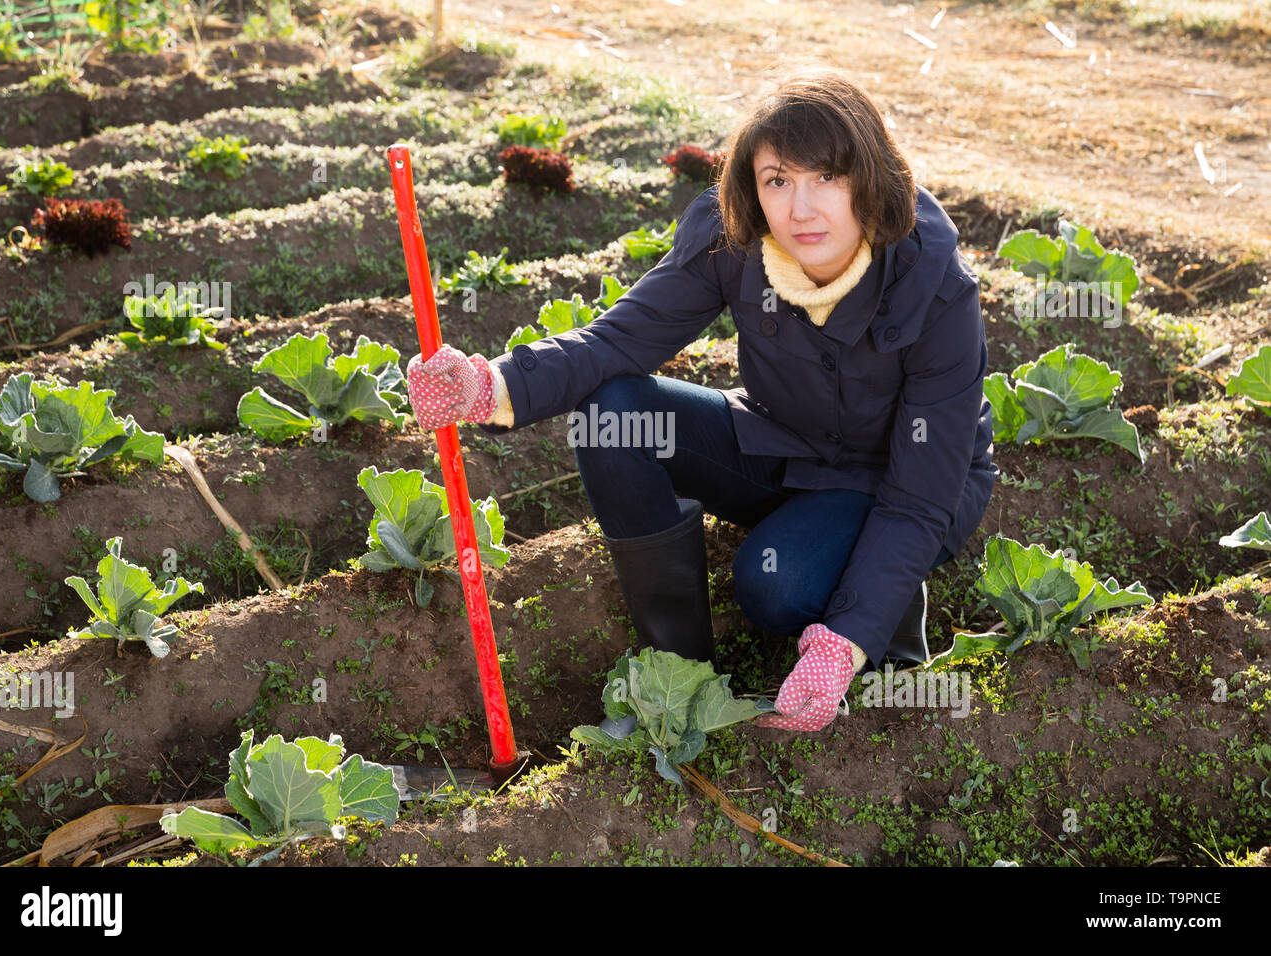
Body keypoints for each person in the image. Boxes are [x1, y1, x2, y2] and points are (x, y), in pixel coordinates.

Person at [405, 63, 999, 733]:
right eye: (778, 181)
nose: (801, 209)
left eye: (827, 178)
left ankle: (886, 622)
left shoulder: (936, 285)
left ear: (871, 178)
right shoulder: (734, 238)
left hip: (901, 481)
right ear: (753, 187)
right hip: (783, 443)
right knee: (615, 417)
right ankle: (683, 678)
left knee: (774, 587)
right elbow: (618, 342)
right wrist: (491, 385)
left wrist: (842, 642)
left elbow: (921, 495)